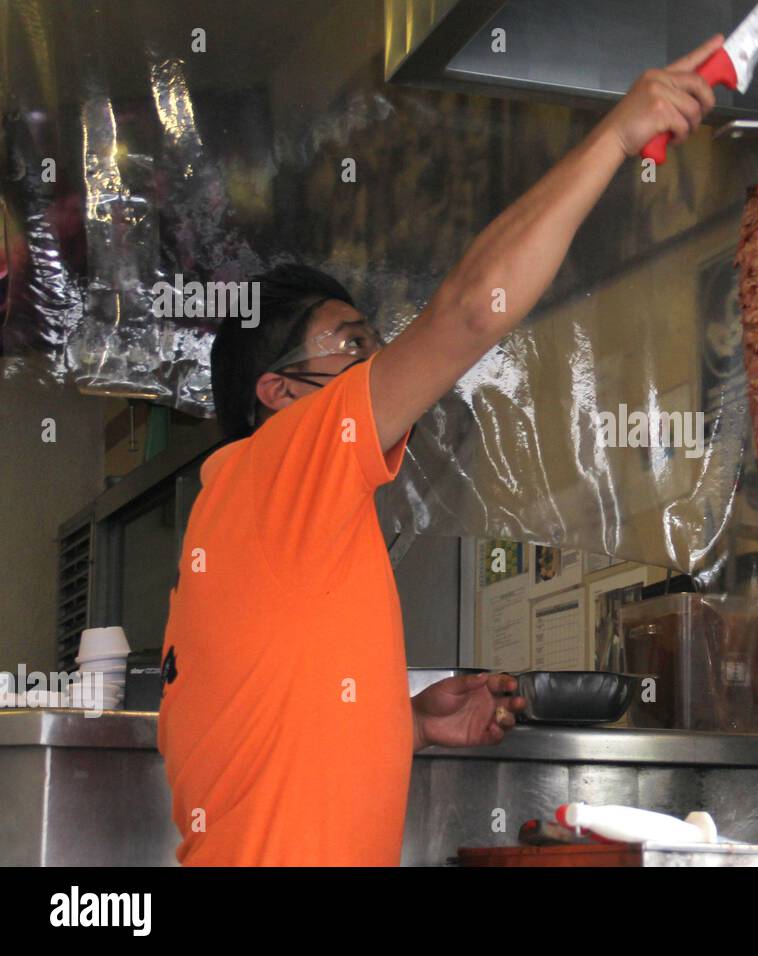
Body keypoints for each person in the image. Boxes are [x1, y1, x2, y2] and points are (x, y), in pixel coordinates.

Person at [155, 37, 721, 866]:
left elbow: (267, 741)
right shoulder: (274, 465)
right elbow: (468, 311)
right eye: (352, 345)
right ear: (277, 392)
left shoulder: (252, 519)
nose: (375, 365)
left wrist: (408, 723)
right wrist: (614, 138)